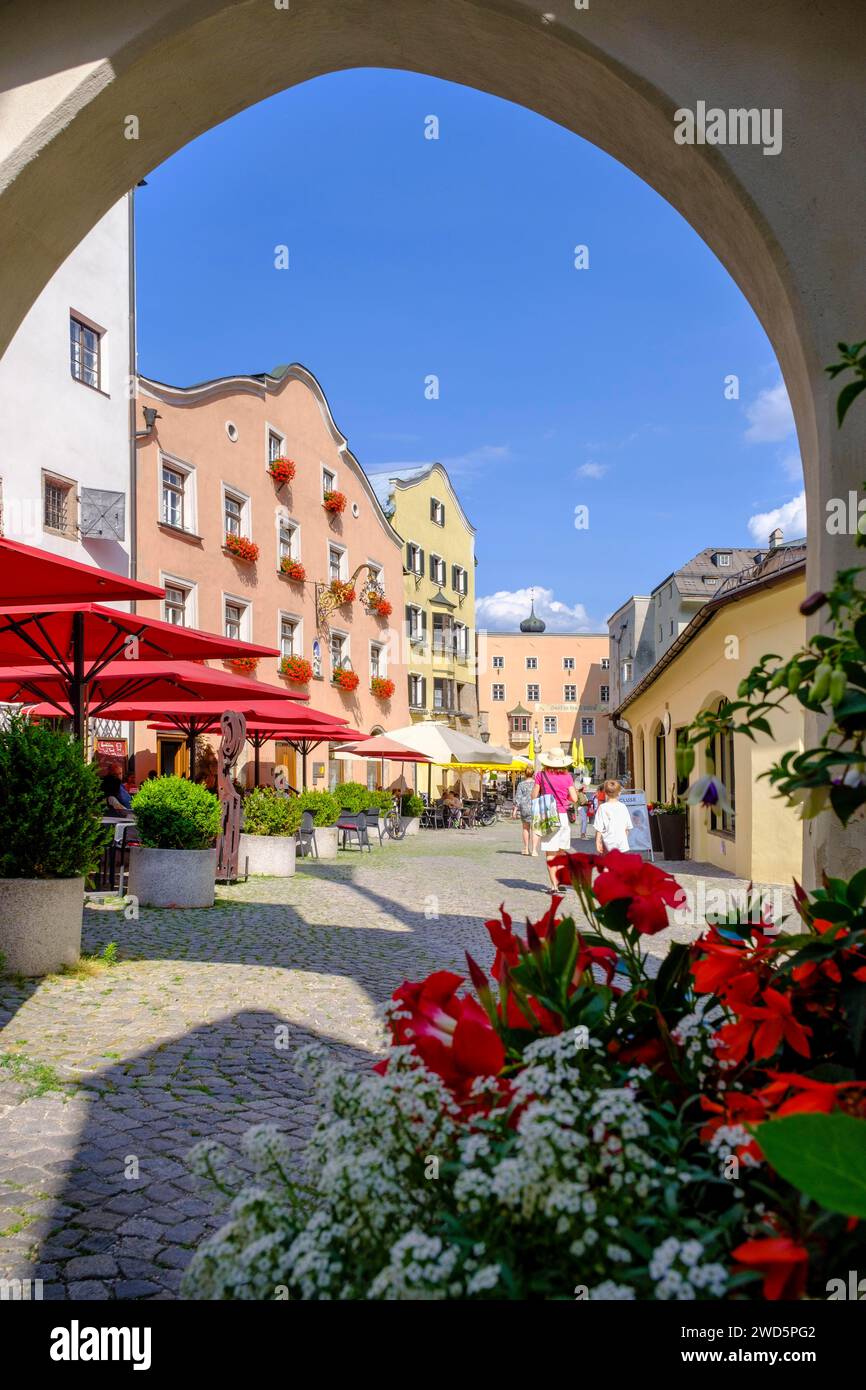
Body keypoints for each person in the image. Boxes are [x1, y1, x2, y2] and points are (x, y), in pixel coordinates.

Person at [531, 748, 579, 891]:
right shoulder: (568, 777)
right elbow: (575, 798)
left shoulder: (541, 775)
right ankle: (560, 880)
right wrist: (564, 799)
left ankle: (554, 886)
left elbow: (534, 796)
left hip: (548, 815)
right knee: (561, 851)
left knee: (550, 853)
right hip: (563, 816)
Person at [594, 779, 634, 854]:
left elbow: (599, 827)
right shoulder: (623, 807)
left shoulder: (602, 807)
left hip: (607, 843)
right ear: (619, 793)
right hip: (621, 842)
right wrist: (624, 838)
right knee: (620, 864)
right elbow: (627, 827)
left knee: (607, 864)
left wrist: (597, 842)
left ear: (605, 793)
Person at [512, 770, 539, 856]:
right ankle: (534, 850)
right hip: (535, 807)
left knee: (525, 829)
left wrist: (515, 810)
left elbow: (518, 798)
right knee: (535, 830)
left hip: (525, 808)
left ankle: (526, 849)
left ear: (524, 774)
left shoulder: (521, 784)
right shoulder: (537, 784)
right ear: (533, 774)